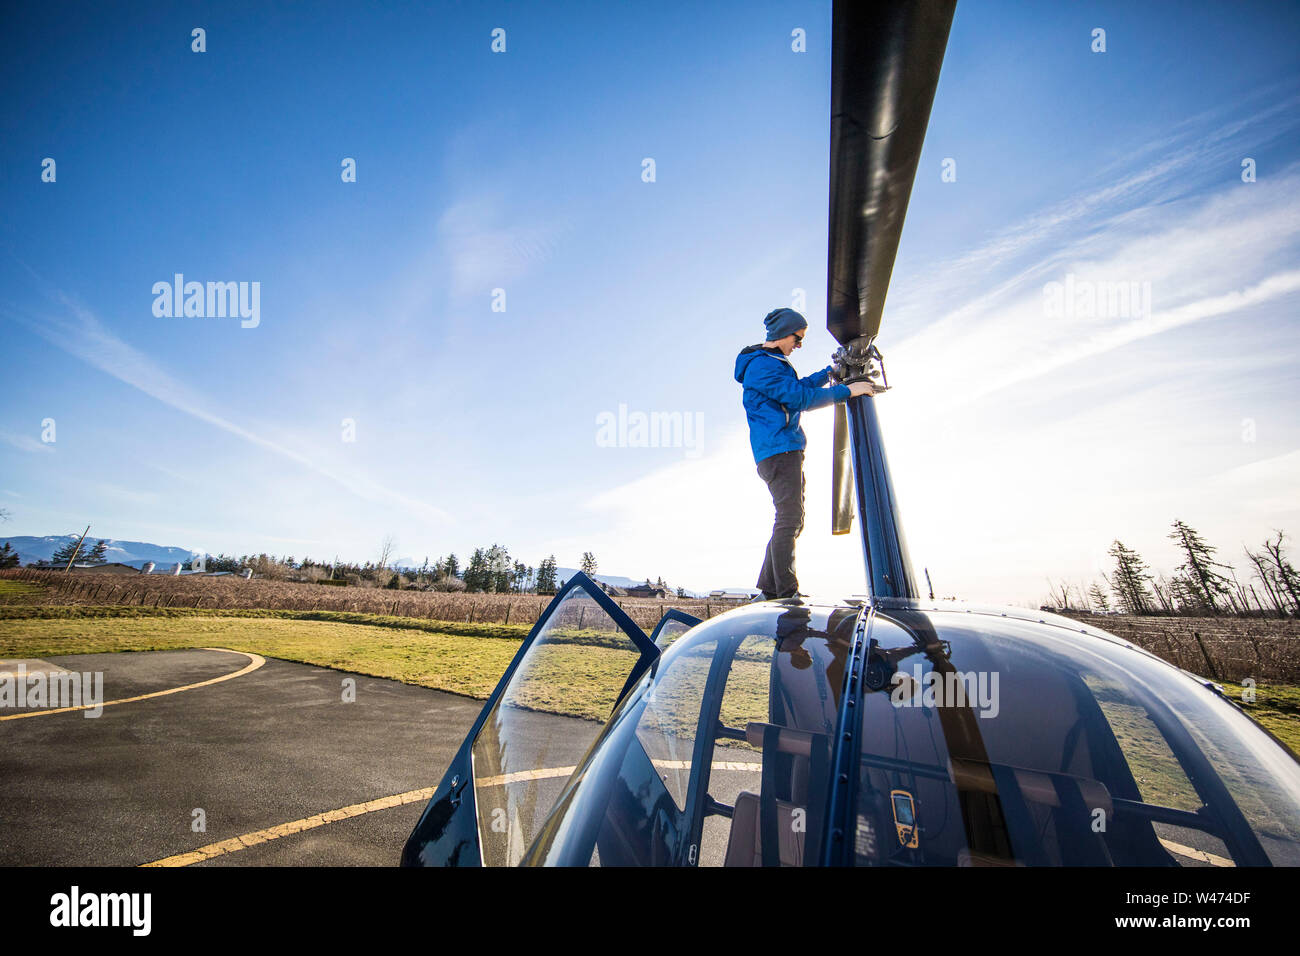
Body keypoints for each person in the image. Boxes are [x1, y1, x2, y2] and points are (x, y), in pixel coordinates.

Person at [734, 308, 875, 600]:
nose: (799, 345)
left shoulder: (772, 363)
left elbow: (798, 387)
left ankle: (769, 589)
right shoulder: (763, 366)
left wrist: (829, 374)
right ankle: (786, 592)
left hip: (782, 450)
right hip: (780, 451)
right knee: (789, 518)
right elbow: (800, 398)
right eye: (798, 338)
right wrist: (849, 392)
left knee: (790, 518)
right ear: (784, 333)